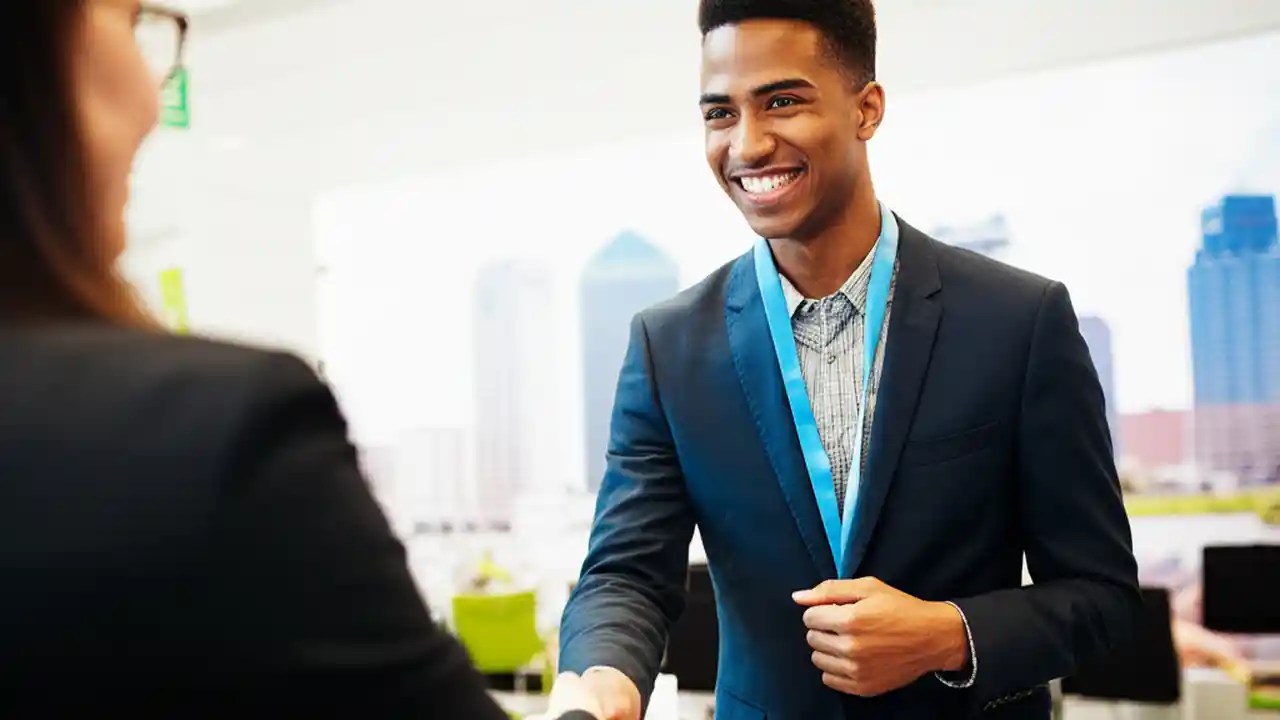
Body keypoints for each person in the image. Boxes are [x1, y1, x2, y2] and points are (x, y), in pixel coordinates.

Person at [0, 2, 597, 716]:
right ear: (34, 44)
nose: (154, 100)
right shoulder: (222, 436)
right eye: (132, 22)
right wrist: (585, 706)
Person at [557, 1, 1143, 718]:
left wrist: (948, 635)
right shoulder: (667, 345)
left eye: (782, 101)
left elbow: (1102, 595)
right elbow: (624, 576)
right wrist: (606, 682)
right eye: (720, 113)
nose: (747, 144)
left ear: (867, 109)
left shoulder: (1018, 320)